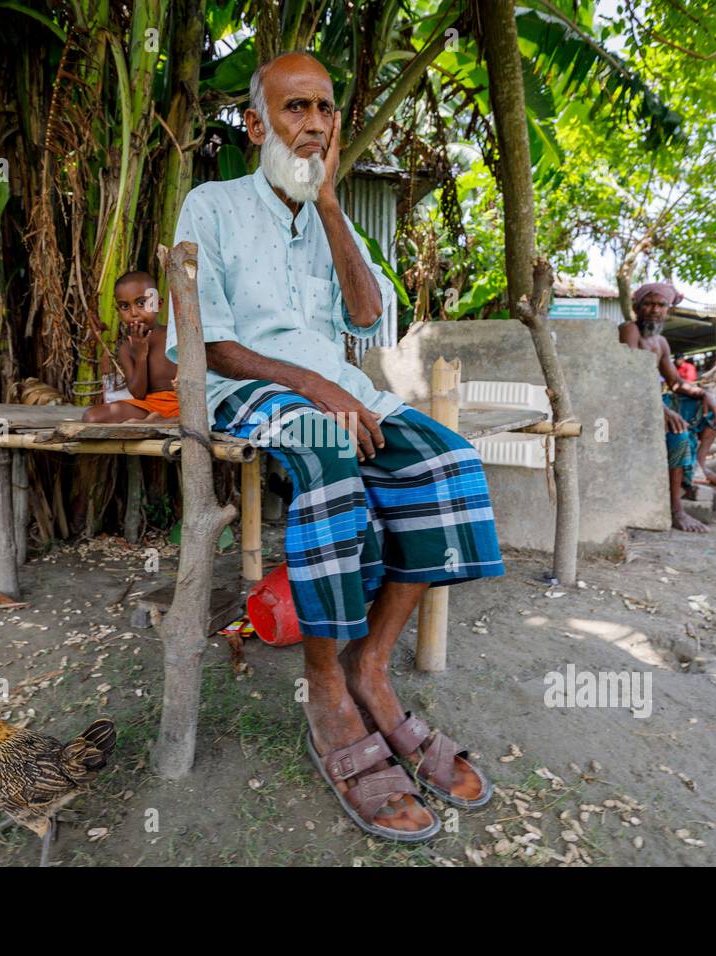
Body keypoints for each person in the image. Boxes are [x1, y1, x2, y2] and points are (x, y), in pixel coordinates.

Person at [166, 51, 504, 841]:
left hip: (339, 386)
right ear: (256, 124)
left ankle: (371, 671)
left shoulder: (330, 213)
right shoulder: (210, 205)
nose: (312, 124)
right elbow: (211, 342)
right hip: (247, 387)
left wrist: (326, 206)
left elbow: (363, 319)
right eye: (294, 109)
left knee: (446, 462)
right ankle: (325, 689)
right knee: (327, 457)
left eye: (323, 108)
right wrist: (321, 389)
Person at [619, 282, 716, 533]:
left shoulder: (660, 342)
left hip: (657, 402)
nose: (654, 310)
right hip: (632, 404)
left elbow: (675, 382)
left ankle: (699, 468)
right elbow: (629, 380)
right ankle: (676, 511)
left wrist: (705, 393)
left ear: (668, 310)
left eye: (661, 305)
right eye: (648, 303)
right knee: (678, 435)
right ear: (637, 307)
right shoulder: (629, 330)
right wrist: (663, 411)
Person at [83, 271, 179, 423]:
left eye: (141, 303)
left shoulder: (175, 335)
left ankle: (166, 421)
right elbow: (138, 394)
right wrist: (141, 355)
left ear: (159, 304)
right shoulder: (127, 349)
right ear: (118, 311)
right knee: (91, 417)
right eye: (124, 306)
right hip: (149, 407)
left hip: (184, 404)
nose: (134, 313)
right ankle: (161, 422)